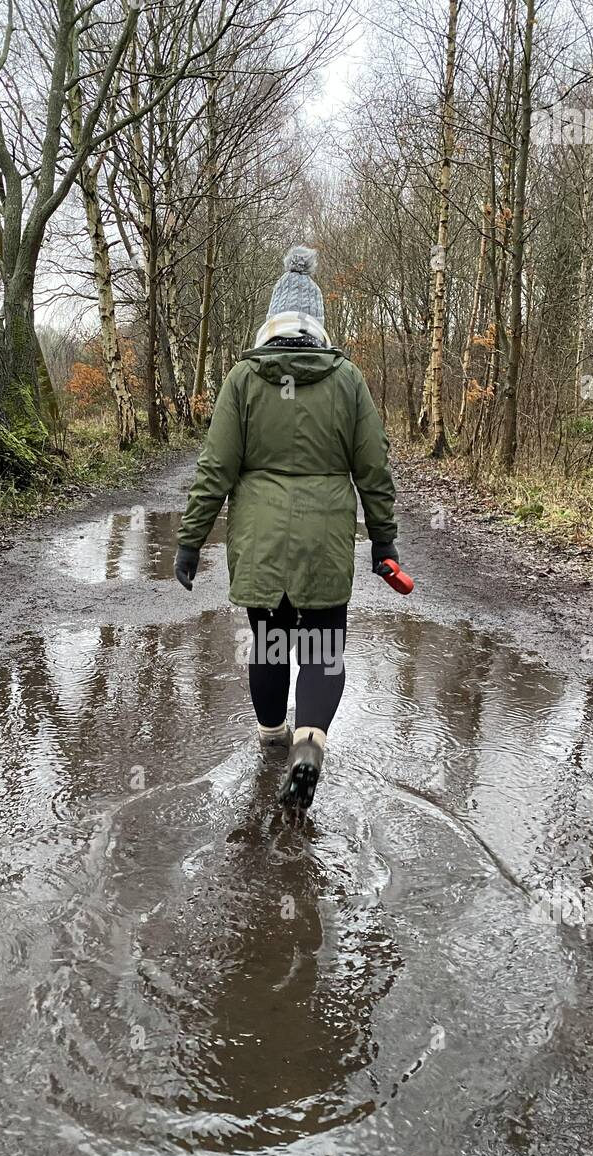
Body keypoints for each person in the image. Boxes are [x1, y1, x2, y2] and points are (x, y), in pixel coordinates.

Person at [174, 245, 400, 810]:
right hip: (324, 539)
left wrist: (190, 539)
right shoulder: (346, 379)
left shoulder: (244, 380)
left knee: (271, 643)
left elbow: (215, 467)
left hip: (261, 540)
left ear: (271, 321)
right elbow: (374, 465)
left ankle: (273, 740)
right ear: (318, 324)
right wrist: (384, 540)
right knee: (323, 648)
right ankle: (309, 744)